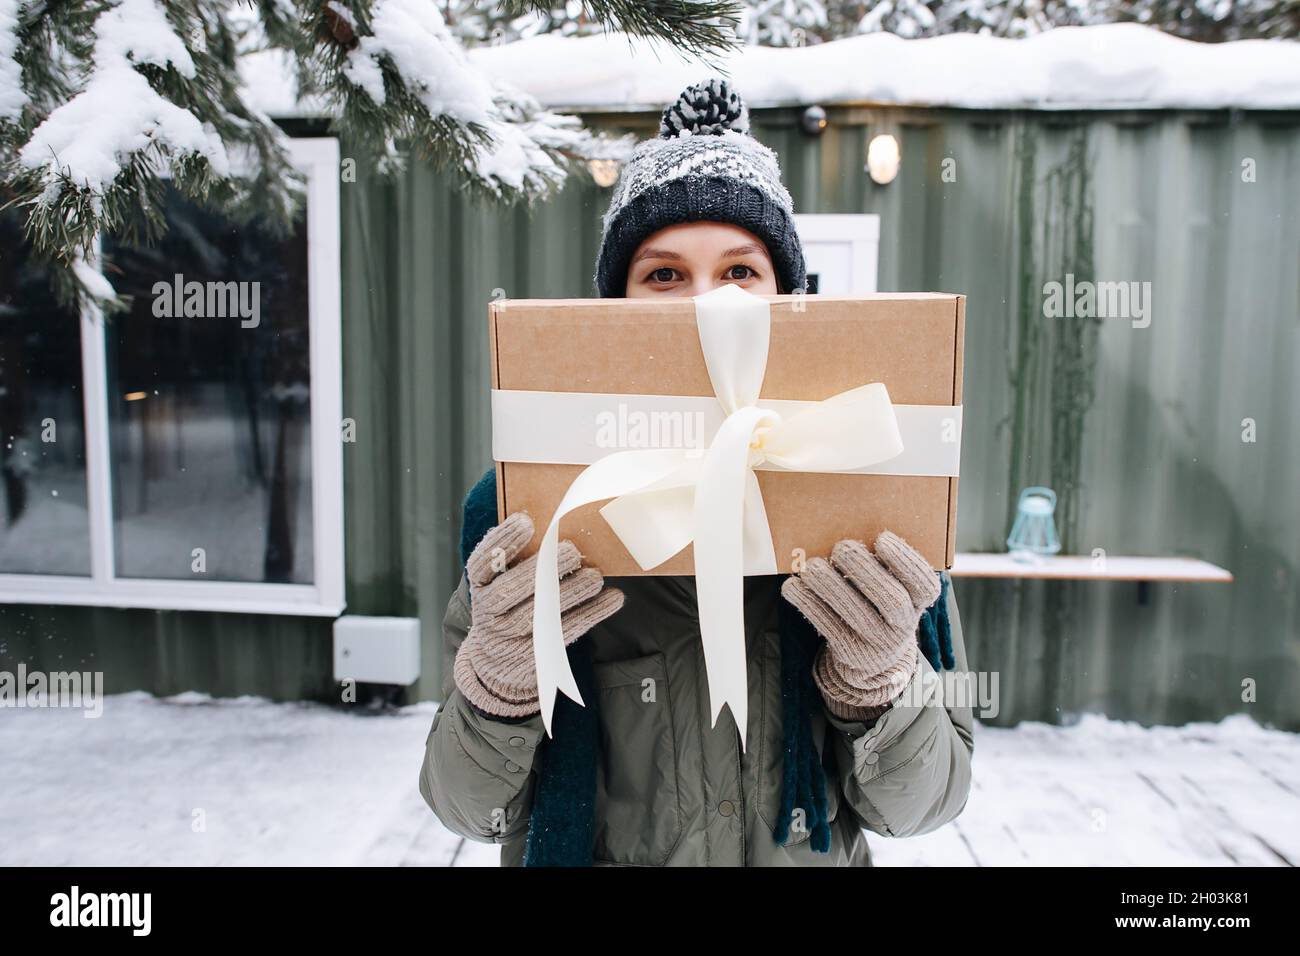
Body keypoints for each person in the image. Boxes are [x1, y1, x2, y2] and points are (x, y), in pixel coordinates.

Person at [419, 78, 974, 867]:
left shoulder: (874, 496)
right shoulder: (534, 516)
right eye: (665, 274)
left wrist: (878, 684)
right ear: (616, 309)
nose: (707, 305)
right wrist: (500, 687)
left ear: (791, 297)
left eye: (741, 272)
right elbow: (467, 810)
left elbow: (926, 808)